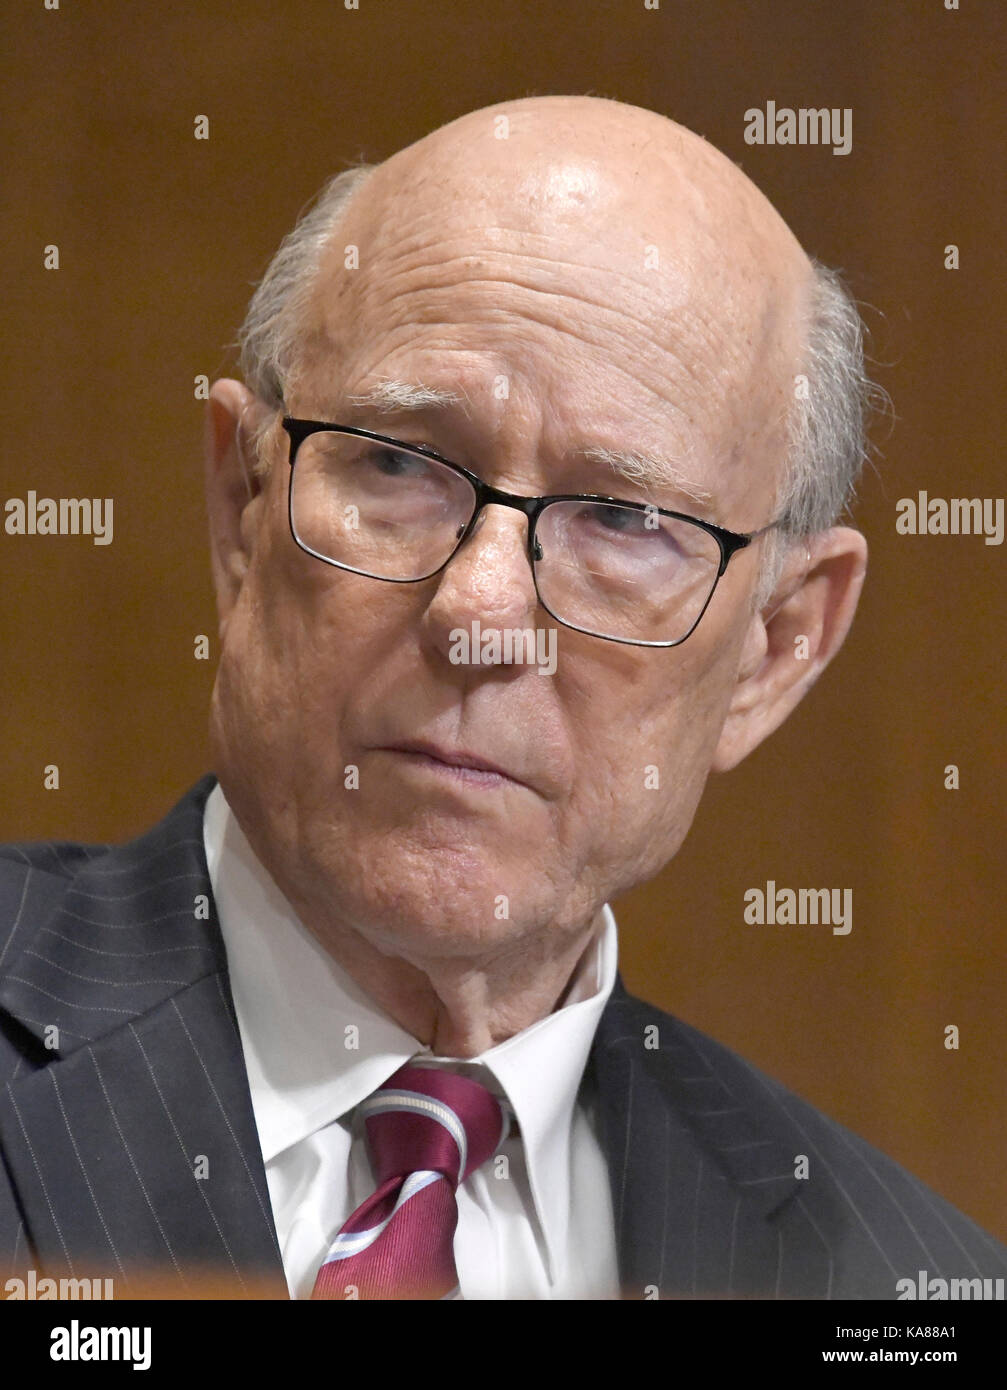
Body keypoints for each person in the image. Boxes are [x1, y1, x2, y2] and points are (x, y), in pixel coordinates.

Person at [1, 95, 1003, 1302]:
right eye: (396, 463)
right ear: (241, 509)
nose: (478, 614)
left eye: (623, 519)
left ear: (775, 646)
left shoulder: (903, 1288)